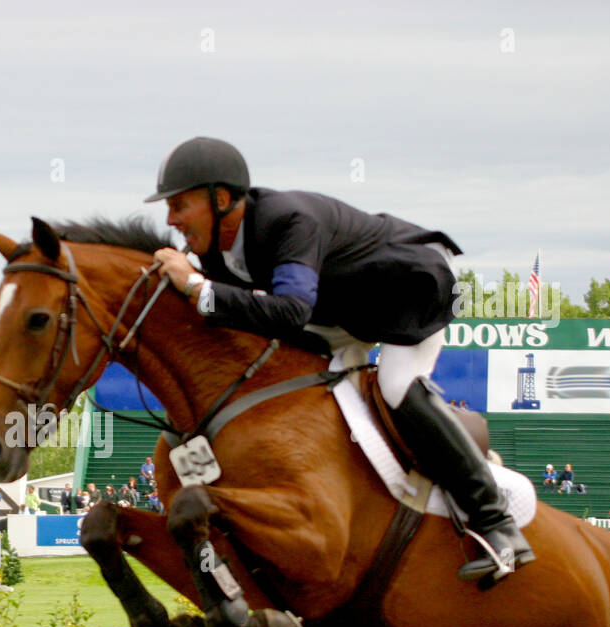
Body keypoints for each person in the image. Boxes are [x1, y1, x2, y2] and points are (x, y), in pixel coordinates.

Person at [145, 136, 533, 581]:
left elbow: (290, 311)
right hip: (341, 310)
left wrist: (196, 287)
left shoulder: (287, 219)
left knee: (396, 387)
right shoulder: (212, 251)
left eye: (179, 205)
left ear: (221, 198)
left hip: (408, 289)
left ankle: (497, 525)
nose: (171, 220)